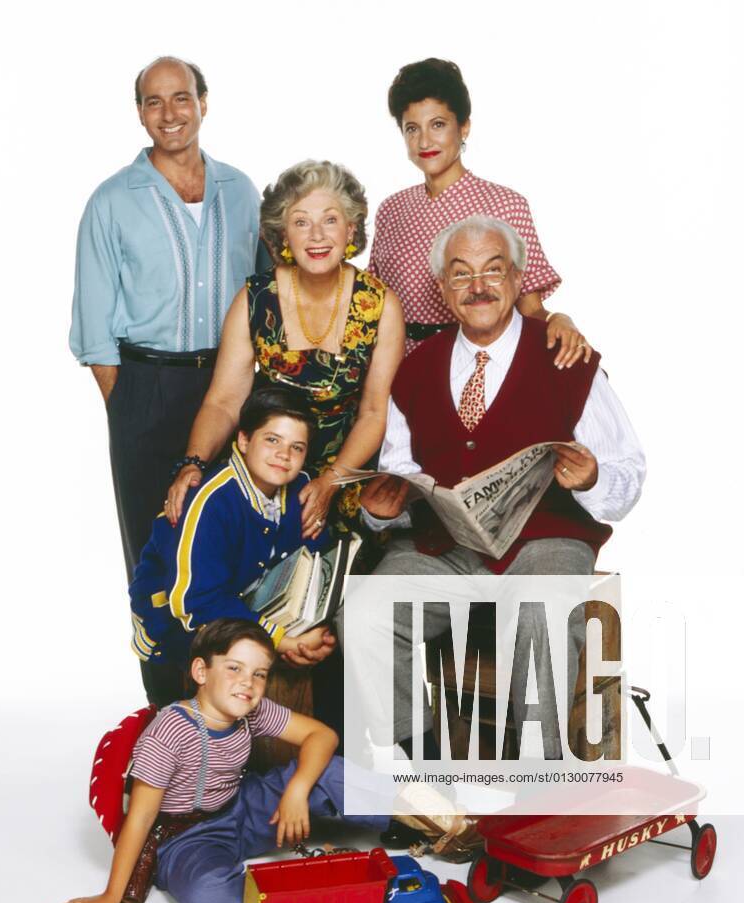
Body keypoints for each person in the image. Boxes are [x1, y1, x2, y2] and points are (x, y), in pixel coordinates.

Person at [350, 215, 646, 760]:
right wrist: (381, 512)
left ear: (515, 278)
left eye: (493, 270)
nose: (478, 287)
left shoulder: (566, 356)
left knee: (540, 609)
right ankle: (425, 768)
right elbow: (398, 468)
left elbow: (629, 473)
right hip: (449, 549)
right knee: (366, 610)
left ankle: (541, 779)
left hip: (546, 543)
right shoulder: (416, 370)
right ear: (442, 289)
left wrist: (593, 477)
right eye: (460, 275)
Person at [69, 56, 269, 588]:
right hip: (146, 386)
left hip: (232, 385)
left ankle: (230, 669)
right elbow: (93, 332)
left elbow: (269, 298)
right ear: (139, 114)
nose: (169, 112)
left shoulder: (243, 191)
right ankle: (164, 674)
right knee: (156, 547)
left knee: (235, 545)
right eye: (153, 101)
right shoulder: (111, 202)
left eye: (180, 97)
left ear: (203, 103)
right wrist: (131, 406)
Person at [53, 618, 389, 903]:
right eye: (234, 668)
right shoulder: (168, 732)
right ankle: (309, 886)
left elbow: (323, 736)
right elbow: (140, 817)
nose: (248, 683)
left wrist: (297, 791)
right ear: (201, 672)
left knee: (329, 771)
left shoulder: (249, 709)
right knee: (208, 896)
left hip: (241, 807)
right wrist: (112, 894)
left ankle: (421, 820)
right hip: (188, 836)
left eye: (259, 674)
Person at [164, 160, 405, 539]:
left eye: (330, 219)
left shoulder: (381, 305)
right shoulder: (255, 298)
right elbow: (224, 401)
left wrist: (329, 483)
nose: (316, 235)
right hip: (263, 464)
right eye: (301, 222)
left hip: (343, 468)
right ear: (283, 235)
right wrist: (193, 462)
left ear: (351, 228)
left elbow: (375, 413)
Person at [369, 58, 590, 363]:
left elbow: (530, 309)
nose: (424, 141)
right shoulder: (392, 210)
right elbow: (374, 306)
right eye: (411, 129)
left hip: (477, 364)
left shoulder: (506, 205)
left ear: (464, 127)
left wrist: (559, 319)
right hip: (399, 366)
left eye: (438, 124)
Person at [130, 386, 337, 707]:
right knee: (222, 691)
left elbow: (315, 561)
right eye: (272, 440)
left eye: (297, 447)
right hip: (180, 621)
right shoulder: (212, 502)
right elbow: (196, 603)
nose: (284, 454)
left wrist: (316, 634)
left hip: (242, 600)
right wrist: (281, 639)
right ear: (243, 441)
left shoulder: (300, 489)